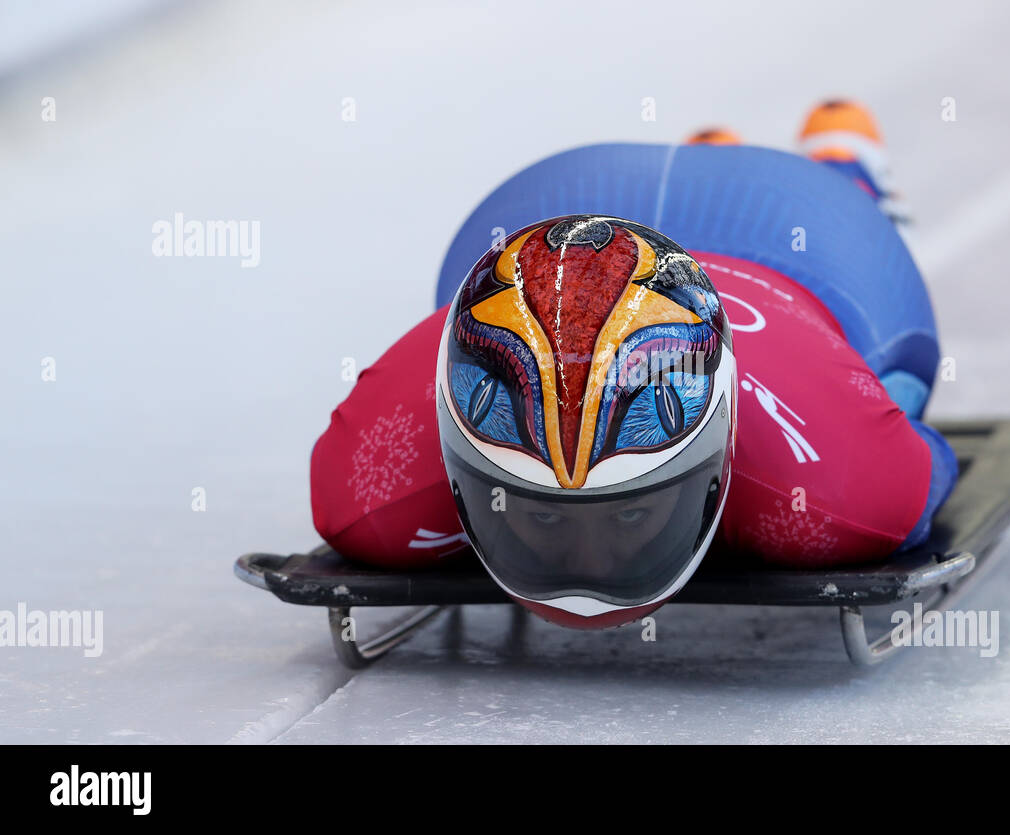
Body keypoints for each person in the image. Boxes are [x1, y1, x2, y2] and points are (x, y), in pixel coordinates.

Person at [310, 100, 956, 628]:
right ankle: (761, 162)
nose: (587, 564)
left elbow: (919, 461)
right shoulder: (839, 498)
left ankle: (843, 178)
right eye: (541, 514)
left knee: (900, 385)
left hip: (802, 225)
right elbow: (935, 460)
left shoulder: (840, 496)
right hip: (779, 217)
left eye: (626, 514)